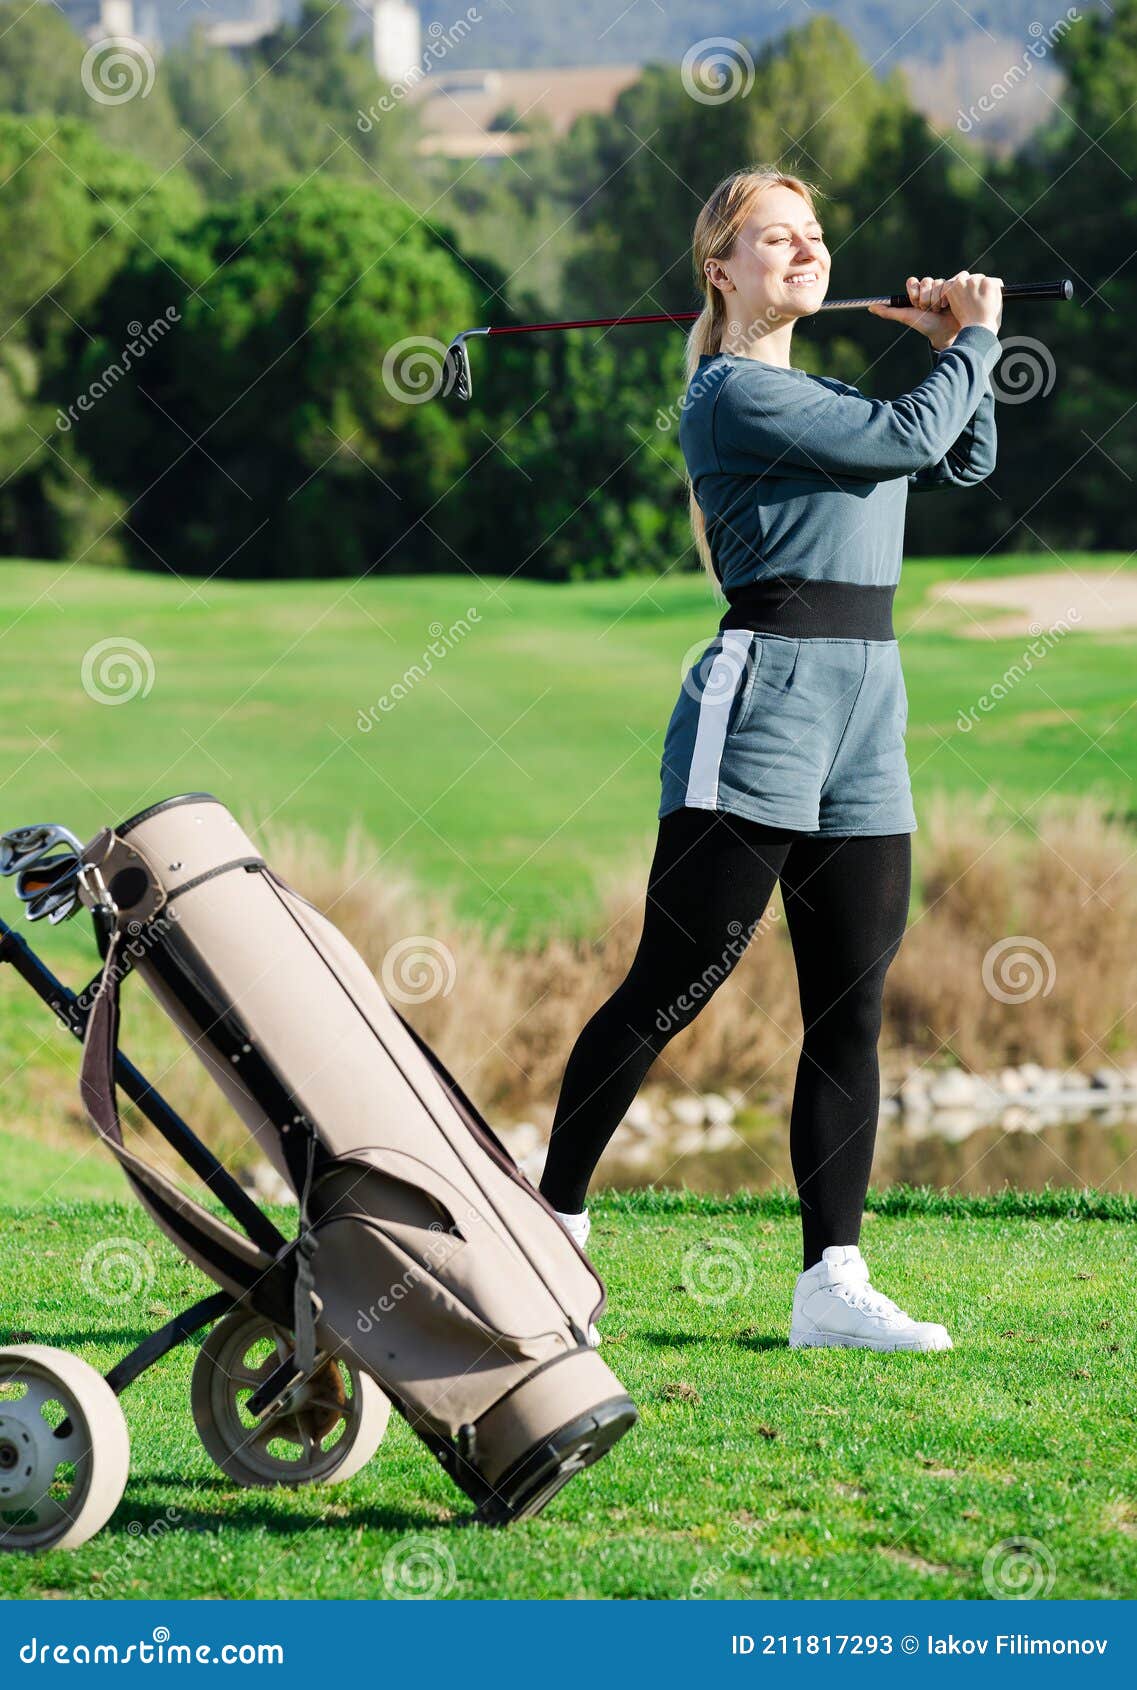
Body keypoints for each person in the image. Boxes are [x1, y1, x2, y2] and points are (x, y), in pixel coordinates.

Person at [538, 166, 1004, 1351]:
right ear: (722, 268)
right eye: (774, 238)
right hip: (768, 696)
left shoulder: (830, 390)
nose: (804, 251)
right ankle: (551, 1229)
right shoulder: (731, 395)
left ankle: (829, 1287)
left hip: (870, 707)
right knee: (672, 980)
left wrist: (958, 345)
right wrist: (975, 339)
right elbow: (912, 434)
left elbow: (957, 458)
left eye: (813, 235)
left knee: (849, 1005)